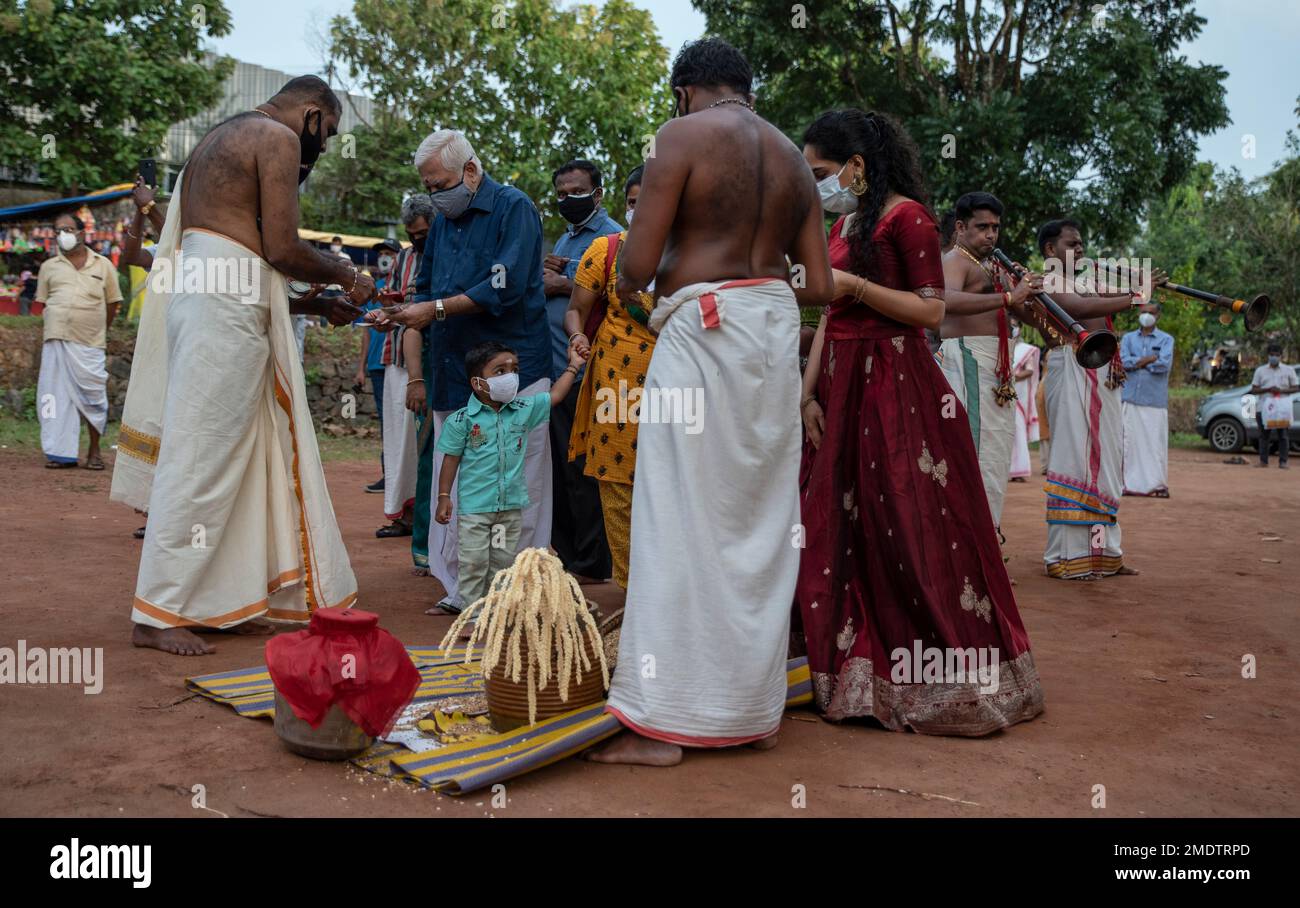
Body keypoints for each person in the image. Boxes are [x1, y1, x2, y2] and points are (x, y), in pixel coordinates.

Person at [588, 38, 834, 766]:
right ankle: (742, 711)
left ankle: (663, 722)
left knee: (675, 516)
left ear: (685, 89)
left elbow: (634, 267)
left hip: (704, 329)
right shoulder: (794, 157)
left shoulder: (681, 136)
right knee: (756, 522)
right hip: (772, 329)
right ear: (746, 86)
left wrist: (671, 267)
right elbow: (818, 284)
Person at [795, 108, 1043, 734]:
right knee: (835, 521)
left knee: (905, 520)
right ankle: (848, 669)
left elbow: (929, 314)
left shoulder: (907, 217)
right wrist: (807, 396)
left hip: (897, 384)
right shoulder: (846, 221)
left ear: (856, 166)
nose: (815, 184)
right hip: (840, 380)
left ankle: (926, 671)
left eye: (821, 171)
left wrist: (855, 285)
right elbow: (826, 313)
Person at [113, 75, 372, 655]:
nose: (324, 147)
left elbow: (241, 257)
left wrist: (311, 302)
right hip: (221, 313)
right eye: (326, 132)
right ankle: (156, 610)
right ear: (310, 114)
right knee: (202, 455)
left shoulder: (215, 140)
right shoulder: (275, 137)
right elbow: (281, 247)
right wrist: (347, 274)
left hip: (213, 302)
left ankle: (217, 601)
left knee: (246, 454)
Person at [372, 129, 551, 614]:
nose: (434, 195)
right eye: (427, 187)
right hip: (453, 373)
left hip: (509, 372)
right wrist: (397, 312)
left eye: (440, 183)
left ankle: (517, 591)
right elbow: (426, 288)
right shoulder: (445, 223)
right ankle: (463, 590)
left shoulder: (513, 208)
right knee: (454, 483)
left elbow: (504, 288)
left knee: (517, 485)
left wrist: (435, 311)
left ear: (471, 171)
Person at [435, 341, 586, 608]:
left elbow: (555, 396)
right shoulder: (461, 421)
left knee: (503, 564)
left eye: (514, 369)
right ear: (478, 383)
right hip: (474, 510)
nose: (511, 376)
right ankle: (471, 614)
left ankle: (495, 613)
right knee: (473, 562)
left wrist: (574, 365)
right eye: (500, 371)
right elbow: (451, 460)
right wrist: (444, 496)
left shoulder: (523, 410)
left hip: (509, 509)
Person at [1035, 219, 1144, 580]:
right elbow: (1077, 310)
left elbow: (1097, 311)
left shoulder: (1089, 280)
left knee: (1106, 462)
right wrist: (1135, 297)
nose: (1081, 249)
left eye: (1082, 243)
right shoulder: (1048, 280)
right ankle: (1066, 558)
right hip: (1072, 366)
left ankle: (1105, 556)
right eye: (1072, 244)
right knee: (1075, 459)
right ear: (1051, 251)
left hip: (1101, 371)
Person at [562, 165, 650, 588]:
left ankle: (670, 598)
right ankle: (634, 594)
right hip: (615, 385)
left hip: (678, 388)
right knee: (618, 491)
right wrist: (578, 336)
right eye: (633, 202)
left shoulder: (696, 255)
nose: (640, 209)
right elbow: (576, 309)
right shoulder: (606, 249)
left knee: (670, 488)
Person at [938, 192, 1043, 532]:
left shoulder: (993, 266)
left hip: (994, 371)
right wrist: (1011, 295)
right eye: (982, 227)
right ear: (960, 227)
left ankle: (986, 544)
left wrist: (1026, 292)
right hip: (969, 364)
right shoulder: (955, 259)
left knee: (994, 461)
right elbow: (945, 299)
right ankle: (973, 552)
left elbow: (1024, 314)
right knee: (977, 459)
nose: (990, 235)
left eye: (995, 228)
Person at [543, 159, 619, 582]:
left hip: (592, 367)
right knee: (558, 465)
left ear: (597, 193)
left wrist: (561, 284)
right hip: (558, 367)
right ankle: (570, 556)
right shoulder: (567, 237)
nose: (568, 200)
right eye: (561, 194)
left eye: (576, 192)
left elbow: (618, 291)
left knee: (585, 467)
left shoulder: (609, 237)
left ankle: (592, 562)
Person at [34, 213, 121, 470]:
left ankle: (94, 451)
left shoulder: (103, 265)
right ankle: (60, 452)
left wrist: (99, 329)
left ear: (82, 233)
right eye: (59, 230)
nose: (64, 234)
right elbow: (43, 303)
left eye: (69, 229)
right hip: (56, 339)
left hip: (90, 342)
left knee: (93, 397)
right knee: (54, 397)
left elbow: (113, 303)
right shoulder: (49, 267)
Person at [377, 199, 430, 539]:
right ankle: (402, 514)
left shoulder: (445, 254)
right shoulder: (404, 258)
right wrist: (385, 314)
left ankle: (421, 517)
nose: (416, 240)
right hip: (397, 358)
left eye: (422, 233)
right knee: (398, 441)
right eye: (411, 235)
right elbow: (391, 304)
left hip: (426, 364)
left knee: (421, 442)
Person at [355, 238, 401, 494]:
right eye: (381, 253)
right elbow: (365, 332)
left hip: (396, 359)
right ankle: (388, 474)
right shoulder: (372, 289)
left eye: (389, 253)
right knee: (386, 422)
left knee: (400, 420)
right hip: (376, 364)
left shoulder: (400, 287)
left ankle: (402, 475)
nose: (384, 257)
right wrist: (361, 367)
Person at [1120, 301, 1174, 495]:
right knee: (1129, 444)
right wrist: (1149, 359)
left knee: (1154, 445)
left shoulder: (1166, 340)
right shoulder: (1127, 338)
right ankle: (1129, 484)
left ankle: (1156, 484)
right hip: (1130, 398)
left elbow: (1163, 365)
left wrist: (1139, 363)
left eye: (1150, 313)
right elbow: (1123, 362)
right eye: (1143, 312)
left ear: (1157, 316)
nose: (1146, 316)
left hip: (1154, 400)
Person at [1250, 342, 1297, 469]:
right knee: (1264, 436)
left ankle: (1283, 462)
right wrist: (1268, 389)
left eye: (1277, 355)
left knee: (1283, 435)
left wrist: (1281, 391)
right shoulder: (1260, 370)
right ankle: (1263, 461)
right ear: (1268, 356)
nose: (1274, 357)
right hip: (1264, 407)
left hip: (1282, 408)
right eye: (1271, 355)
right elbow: (1254, 389)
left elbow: (1296, 388)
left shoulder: (1289, 370)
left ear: (1281, 356)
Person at [1009, 322, 1039, 481]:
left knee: (1018, 430)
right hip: (1004, 393)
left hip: (1019, 393)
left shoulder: (1026, 350)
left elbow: (1030, 370)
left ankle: (1020, 471)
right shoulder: (1003, 345)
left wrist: (1012, 377)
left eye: (1015, 325)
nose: (1013, 328)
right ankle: (1007, 470)